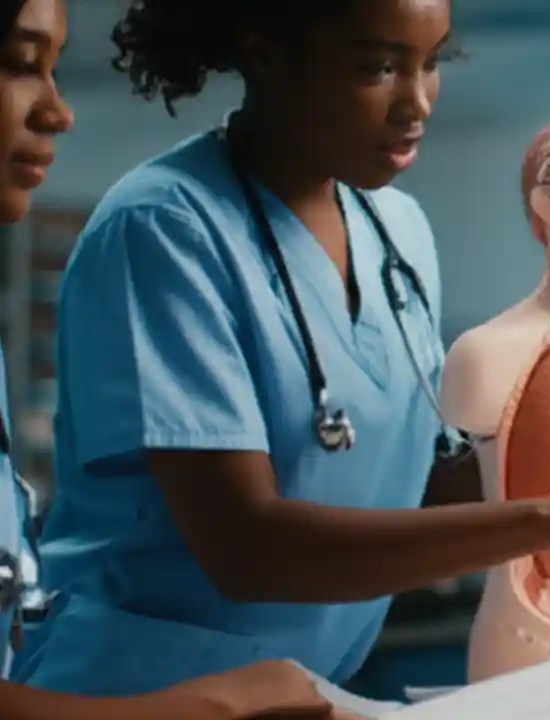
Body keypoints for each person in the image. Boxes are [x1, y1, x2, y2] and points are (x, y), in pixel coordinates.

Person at [13, 0, 550, 697]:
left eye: (431, 63)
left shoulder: (397, 232)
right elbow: (249, 549)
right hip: (137, 693)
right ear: (266, 53)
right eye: (378, 68)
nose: (418, 103)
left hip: (303, 697)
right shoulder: (165, 231)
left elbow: (421, 487)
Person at [0, 1, 365, 717]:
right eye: (19, 65)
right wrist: (207, 707)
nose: (57, 113)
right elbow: (245, 541)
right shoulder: (160, 225)